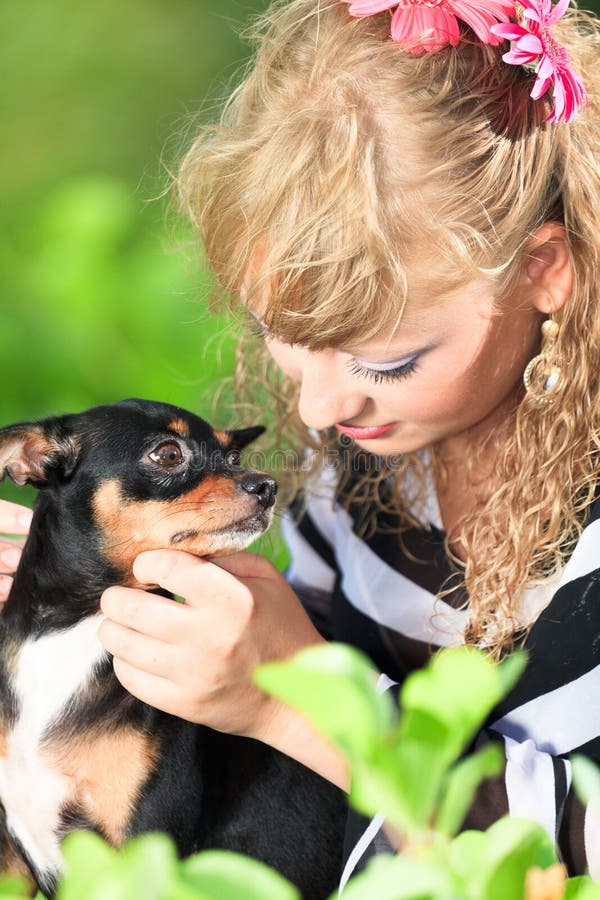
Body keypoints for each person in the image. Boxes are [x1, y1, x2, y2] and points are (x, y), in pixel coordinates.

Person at [2, 0, 600, 882]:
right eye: (278, 332)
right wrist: (89, 610)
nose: (317, 410)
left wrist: (297, 700)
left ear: (543, 272)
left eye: (388, 360)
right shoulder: (367, 471)